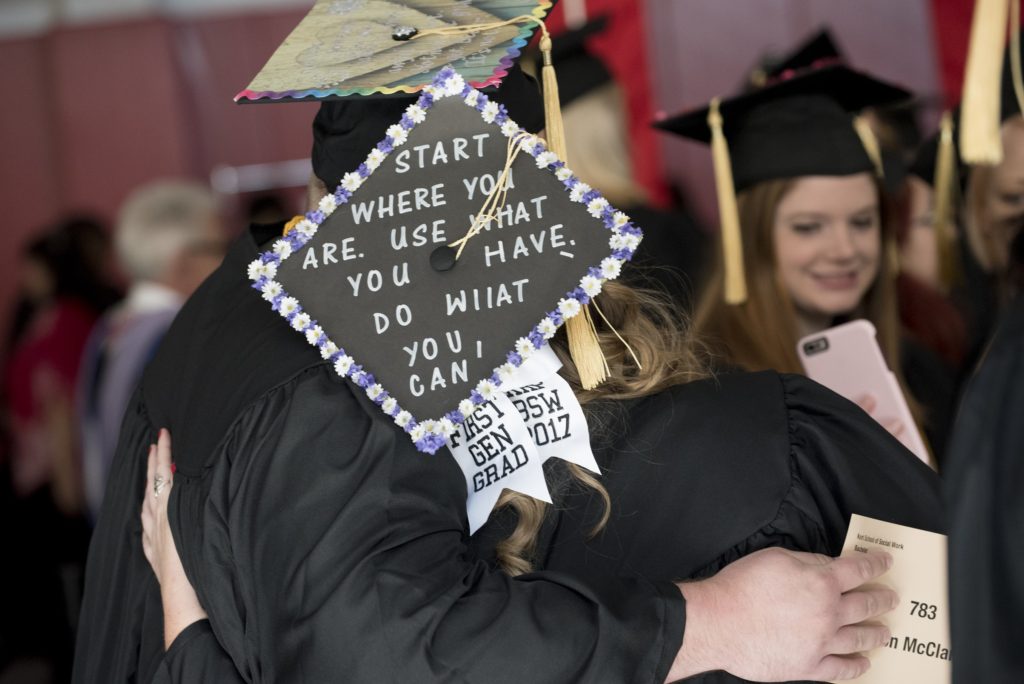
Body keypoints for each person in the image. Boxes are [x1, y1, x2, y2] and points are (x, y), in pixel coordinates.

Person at [664, 63, 952, 460]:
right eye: (809, 227)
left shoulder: (918, 371)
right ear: (752, 238)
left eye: (862, 222)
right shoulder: (711, 391)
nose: (844, 249)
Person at [77, 180, 224, 521]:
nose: (229, 261)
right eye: (220, 247)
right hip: (158, 535)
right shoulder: (178, 334)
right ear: (184, 261)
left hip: (114, 526)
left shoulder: (111, 325)